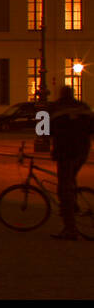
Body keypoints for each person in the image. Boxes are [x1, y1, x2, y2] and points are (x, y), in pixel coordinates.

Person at [49, 85, 93, 240]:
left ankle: (70, 228)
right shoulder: (84, 107)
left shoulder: (55, 107)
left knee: (64, 188)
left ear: (60, 95)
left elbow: (43, 130)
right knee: (71, 178)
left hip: (65, 152)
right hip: (82, 151)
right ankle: (74, 206)